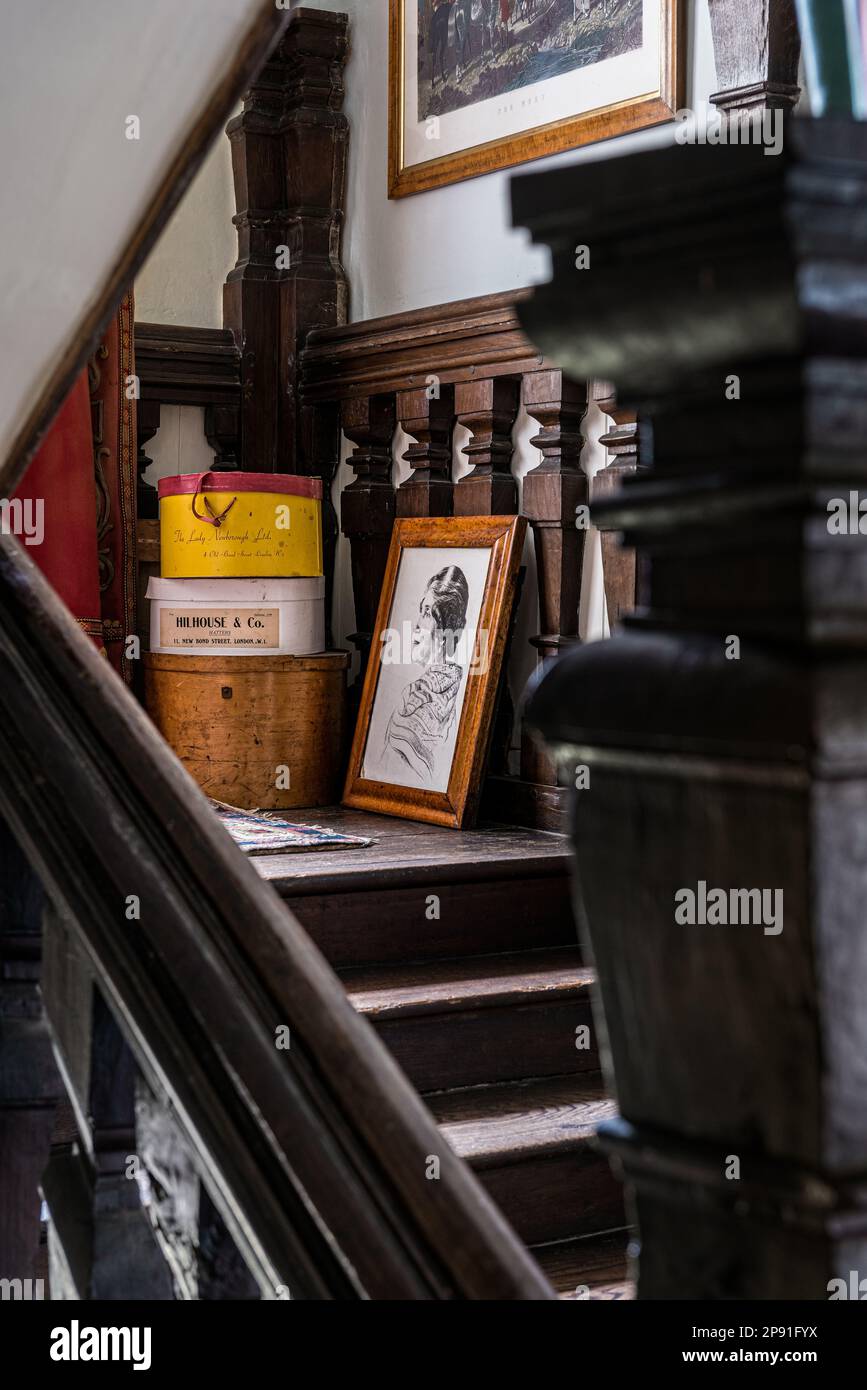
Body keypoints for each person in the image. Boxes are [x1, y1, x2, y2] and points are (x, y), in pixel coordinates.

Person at [384, 565, 470, 782]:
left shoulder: (424, 698)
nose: (416, 625)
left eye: (426, 613)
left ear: (444, 626)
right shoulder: (443, 687)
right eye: (419, 611)